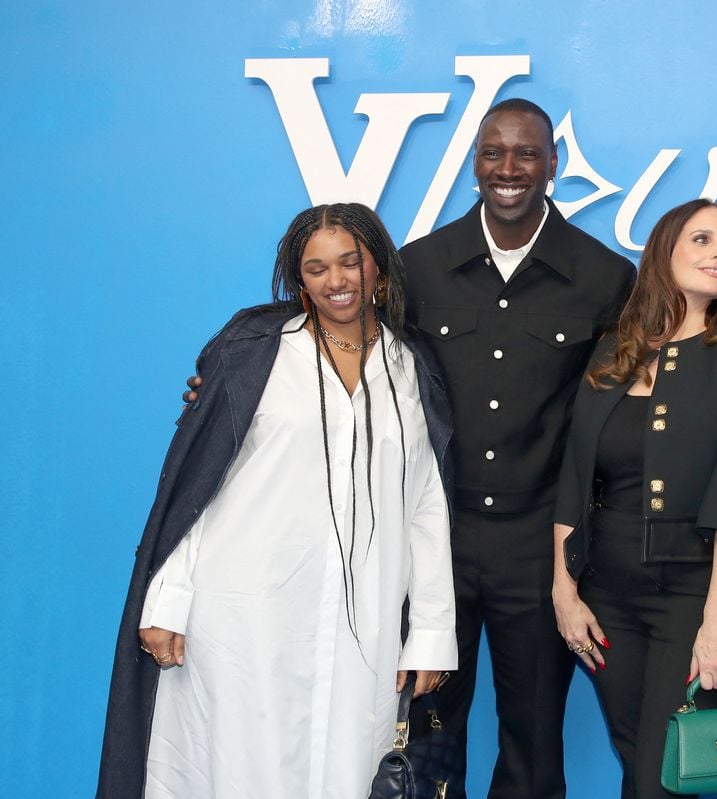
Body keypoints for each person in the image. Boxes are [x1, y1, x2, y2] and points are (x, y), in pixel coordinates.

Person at [97, 203, 457, 798]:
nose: (336, 281)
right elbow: (196, 487)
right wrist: (168, 598)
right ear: (298, 280)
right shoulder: (253, 349)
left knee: (347, 768)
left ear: (380, 269)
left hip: (363, 623)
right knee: (237, 767)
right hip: (242, 614)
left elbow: (427, 507)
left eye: (350, 262)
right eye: (316, 269)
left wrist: (432, 631)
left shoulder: (411, 367)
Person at [398, 98, 637, 798]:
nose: (509, 168)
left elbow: (630, 410)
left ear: (552, 165)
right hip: (434, 542)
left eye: (526, 153)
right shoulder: (419, 267)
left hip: (543, 550)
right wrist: (236, 364)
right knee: (425, 732)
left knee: (532, 740)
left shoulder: (604, 277)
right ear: (474, 164)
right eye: (493, 152)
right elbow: (348, 349)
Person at [552, 199, 717, 799]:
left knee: (668, 778)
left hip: (693, 595)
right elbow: (573, 478)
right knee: (639, 761)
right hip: (604, 597)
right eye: (703, 239)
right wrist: (564, 591)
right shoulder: (612, 353)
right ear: (664, 251)